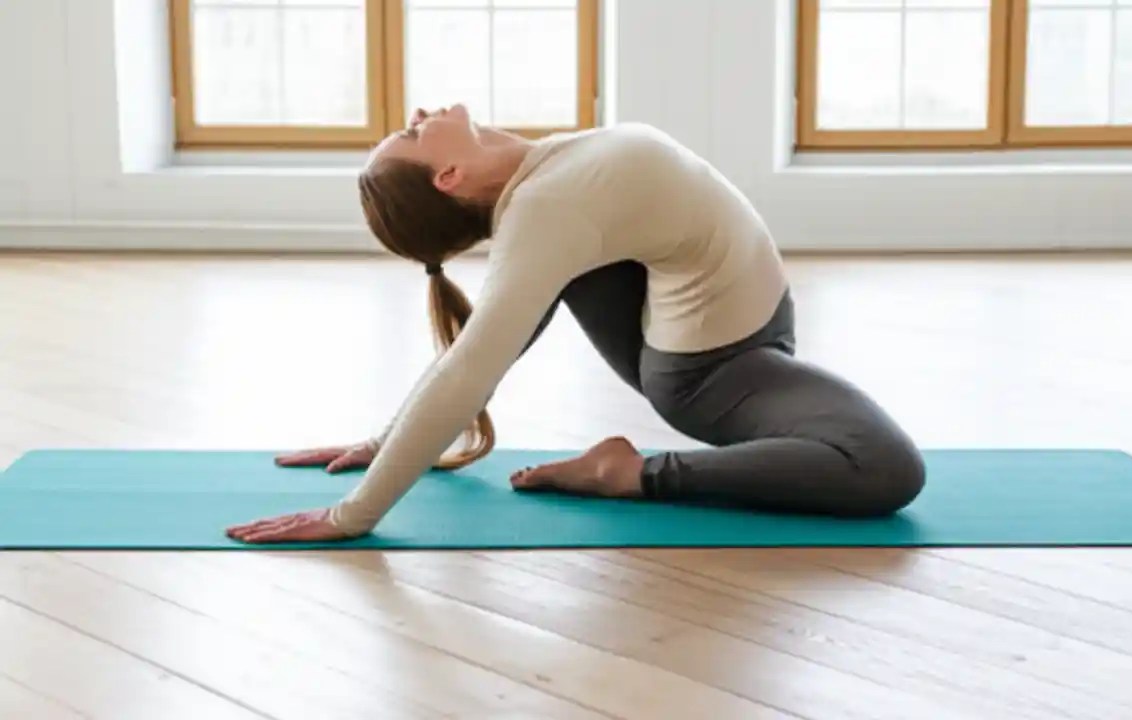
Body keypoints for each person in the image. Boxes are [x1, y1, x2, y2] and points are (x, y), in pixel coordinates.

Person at [226, 104, 925, 544]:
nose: (418, 112)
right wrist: (354, 514)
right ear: (446, 175)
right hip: (722, 371)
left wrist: (384, 439)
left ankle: (624, 469)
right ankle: (633, 475)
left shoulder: (540, 180)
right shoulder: (548, 207)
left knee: (529, 285)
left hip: (715, 334)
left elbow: (484, 345)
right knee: (888, 469)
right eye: (414, 133)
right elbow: (474, 365)